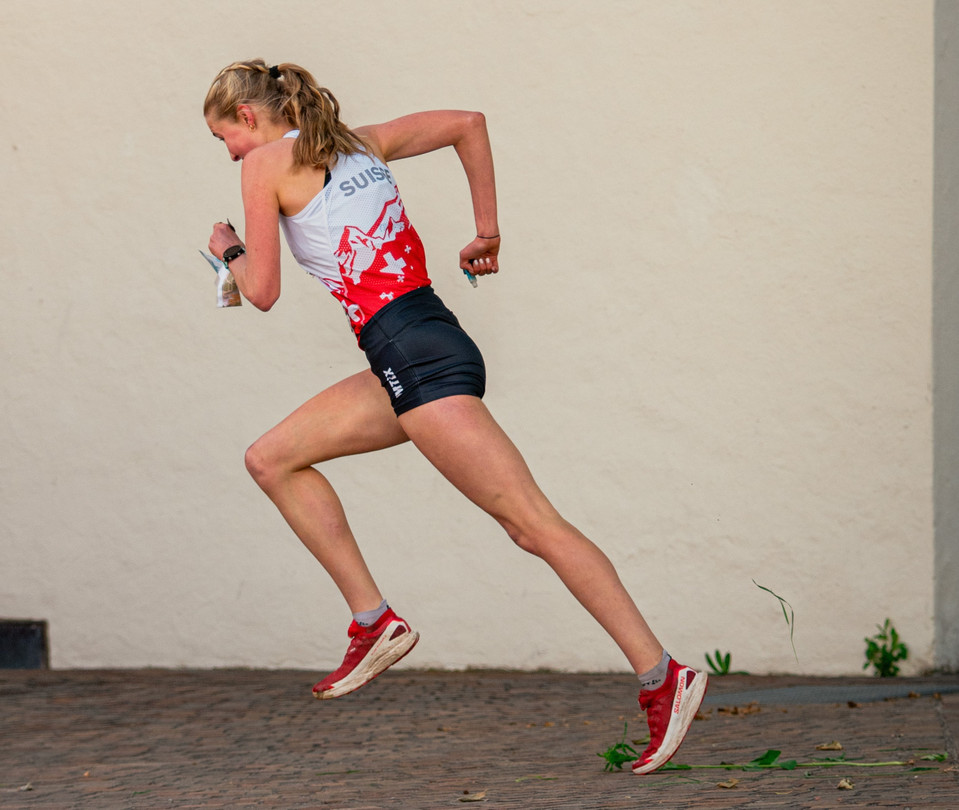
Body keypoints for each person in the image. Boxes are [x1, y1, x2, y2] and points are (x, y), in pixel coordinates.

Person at [203, 59, 706, 775]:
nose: (227, 154)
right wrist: (485, 232)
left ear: (249, 118)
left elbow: (261, 293)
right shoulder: (357, 140)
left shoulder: (263, 167)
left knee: (530, 524)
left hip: (414, 360)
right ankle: (374, 621)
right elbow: (467, 126)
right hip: (421, 344)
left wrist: (227, 248)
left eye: (224, 137)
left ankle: (663, 676)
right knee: (271, 457)